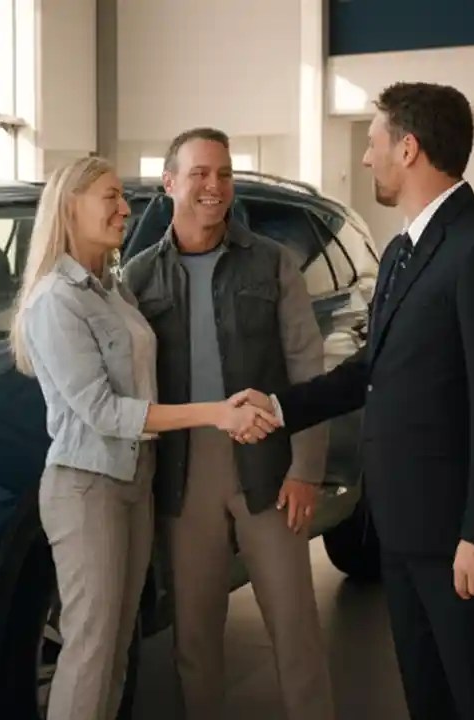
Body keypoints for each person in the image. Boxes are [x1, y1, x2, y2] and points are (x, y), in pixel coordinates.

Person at [236, 82, 474, 720]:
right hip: (405, 531)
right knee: (430, 701)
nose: (366, 157)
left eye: (374, 142)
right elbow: (373, 371)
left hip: (463, 540)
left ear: (408, 149)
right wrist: (280, 405)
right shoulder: (405, 250)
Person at [10, 155, 281, 720]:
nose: (124, 210)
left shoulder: (111, 289)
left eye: (122, 198)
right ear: (69, 205)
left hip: (132, 482)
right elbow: (104, 412)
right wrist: (215, 413)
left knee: (115, 653)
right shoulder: (55, 301)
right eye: (109, 197)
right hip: (88, 489)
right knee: (90, 651)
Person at [119, 128, 336, 720]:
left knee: (295, 627)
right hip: (184, 474)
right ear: (170, 184)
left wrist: (306, 469)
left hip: (269, 467)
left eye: (223, 174)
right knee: (194, 637)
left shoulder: (272, 262)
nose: (214, 187)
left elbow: (306, 367)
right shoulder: (137, 278)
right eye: (199, 174)